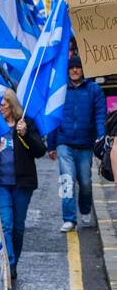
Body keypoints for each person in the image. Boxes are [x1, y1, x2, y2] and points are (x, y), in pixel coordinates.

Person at [0, 89, 45, 280]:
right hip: (0, 184)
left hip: (22, 184)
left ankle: (15, 259)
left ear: (12, 105)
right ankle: (10, 264)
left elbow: (39, 151)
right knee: (5, 225)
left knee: (18, 227)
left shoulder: (26, 123)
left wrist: (26, 134)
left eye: (3, 105)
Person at [48, 56, 105, 232]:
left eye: (78, 67)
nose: (74, 70)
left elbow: (100, 115)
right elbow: (52, 116)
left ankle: (86, 210)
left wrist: (101, 137)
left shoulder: (94, 90)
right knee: (67, 181)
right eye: (72, 67)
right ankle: (69, 219)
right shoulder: (60, 89)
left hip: (85, 144)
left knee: (86, 183)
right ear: (67, 70)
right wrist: (51, 145)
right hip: (64, 143)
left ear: (83, 70)